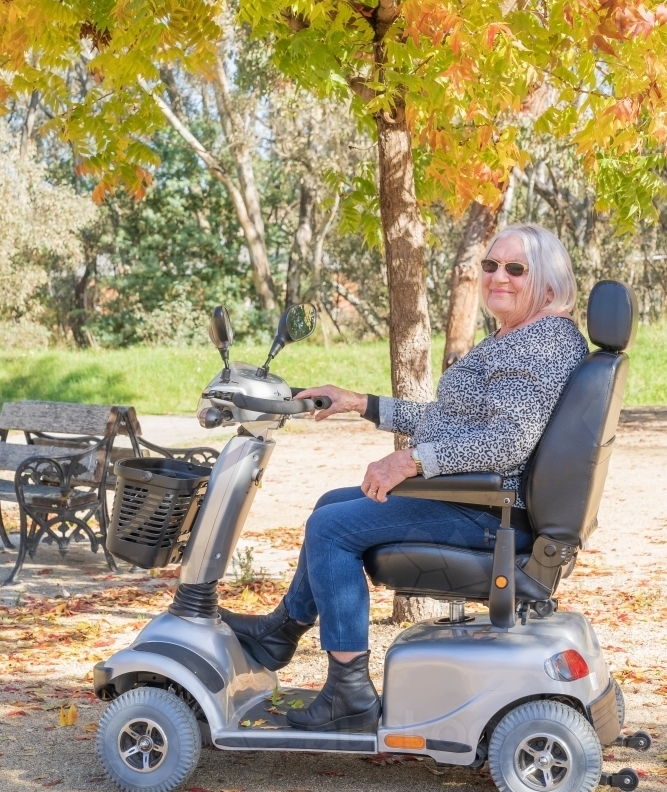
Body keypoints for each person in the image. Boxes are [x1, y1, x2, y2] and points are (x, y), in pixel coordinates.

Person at [220, 223, 589, 733]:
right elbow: (455, 421)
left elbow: (507, 443)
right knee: (332, 503)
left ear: (548, 284)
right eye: (490, 265)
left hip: (491, 513)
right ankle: (282, 631)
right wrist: (360, 403)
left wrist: (412, 461)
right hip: (483, 503)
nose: (497, 276)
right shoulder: (521, 336)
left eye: (514, 269)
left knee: (333, 529)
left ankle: (347, 691)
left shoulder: (542, 343)